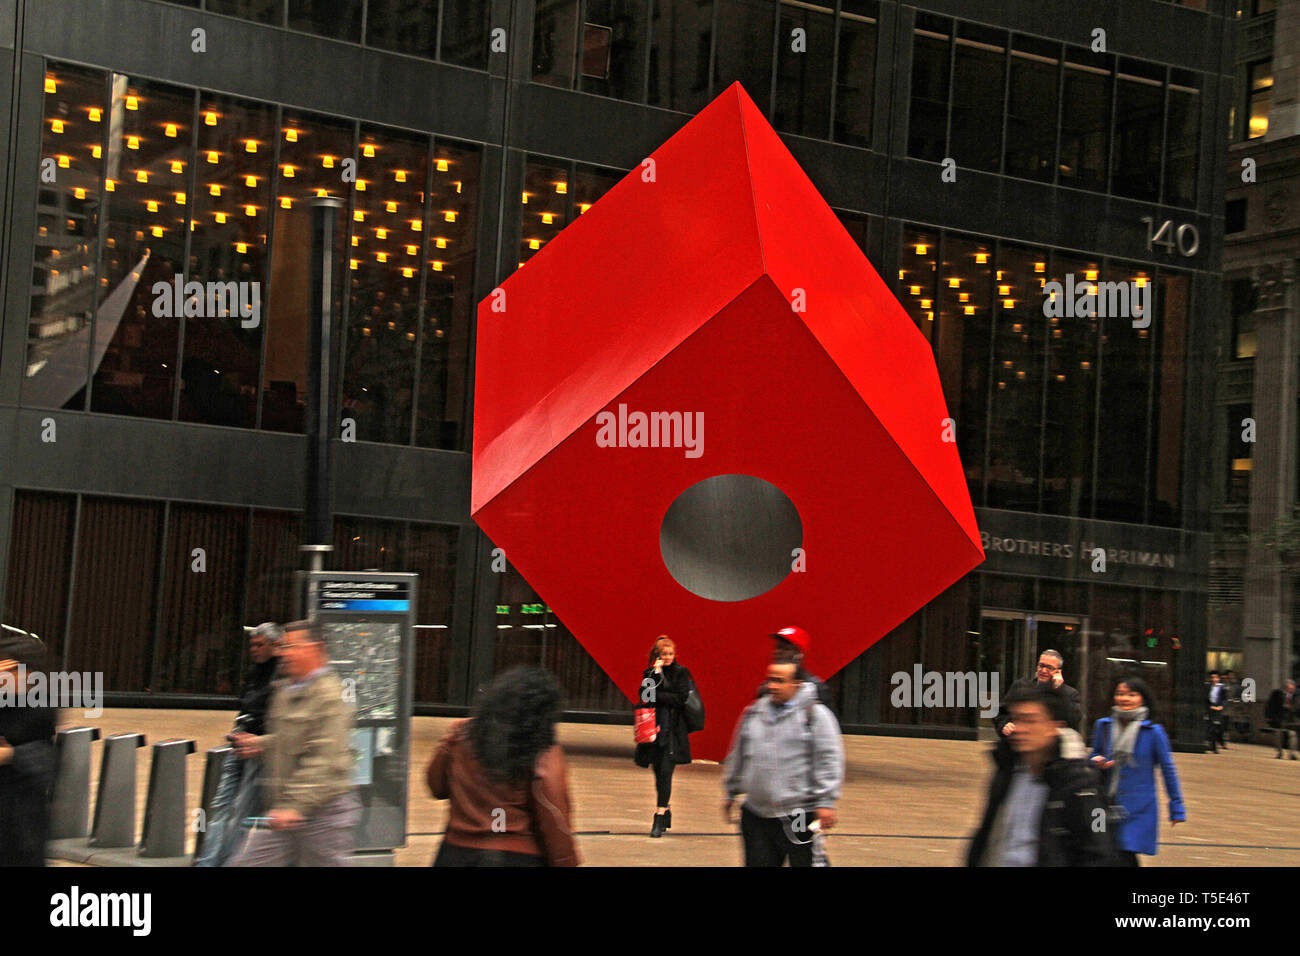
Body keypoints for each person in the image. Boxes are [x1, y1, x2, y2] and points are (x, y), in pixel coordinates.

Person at [229, 620, 359, 867]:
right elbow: (290, 740)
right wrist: (260, 744)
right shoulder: (286, 690)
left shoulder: (330, 696)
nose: (283, 653)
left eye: (291, 646)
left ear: (315, 648)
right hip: (287, 811)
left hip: (322, 814)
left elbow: (324, 758)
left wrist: (293, 806)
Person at [426, 666, 578, 866]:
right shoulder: (542, 750)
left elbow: (436, 787)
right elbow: (553, 814)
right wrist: (565, 861)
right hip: (516, 857)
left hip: (456, 853)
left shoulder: (461, 735)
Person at [968, 684, 1116, 867]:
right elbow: (985, 836)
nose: (1020, 728)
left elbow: (1101, 850)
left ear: (1054, 727)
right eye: (1016, 719)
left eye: (1030, 720)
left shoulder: (1083, 787)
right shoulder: (1006, 772)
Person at [722, 660, 844, 867]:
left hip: (798, 814)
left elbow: (829, 759)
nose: (772, 686)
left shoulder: (815, 716)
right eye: (770, 680)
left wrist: (825, 801)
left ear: (796, 684)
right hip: (757, 815)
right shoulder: (754, 713)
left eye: (780, 681)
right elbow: (739, 754)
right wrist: (731, 791)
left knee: (806, 862)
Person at [195, 622, 282, 867]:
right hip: (240, 743)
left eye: (259, 644)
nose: (253, 649)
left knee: (241, 812)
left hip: (259, 748)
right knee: (221, 807)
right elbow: (247, 702)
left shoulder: (283, 674)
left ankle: (227, 863)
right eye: (252, 645)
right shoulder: (256, 671)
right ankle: (209, 862)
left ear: (275, 645)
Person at [1089, 676, 1185, 866]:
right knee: (1100, 852)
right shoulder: (1104, 726)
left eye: (1131, 695)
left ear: (1142, 698)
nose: (1124, 699)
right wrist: (1095, 761)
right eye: (1120, 694)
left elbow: (1168, 769)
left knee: (1124, 854)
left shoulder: (1153, 732)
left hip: (1138, 808)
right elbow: (1093, 755)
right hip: (1104, 803)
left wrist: (1176, 807)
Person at [633, 636, 699, 837]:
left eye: (670, 654)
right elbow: (645, 696)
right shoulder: (651, 673)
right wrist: (655, 674)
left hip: (673, 731)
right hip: (654, 730)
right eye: (664, 654)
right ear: (657, 655)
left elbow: (680, 699)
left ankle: (659, 815)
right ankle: (666, 807)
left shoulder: (681, 673)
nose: (668, 657)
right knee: (657, 773)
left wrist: (660, 695)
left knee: (665, 772)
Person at [0, 634, 57, 867]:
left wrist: (11, 755)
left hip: (20, 824)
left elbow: (47, 763)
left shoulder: (39, 709)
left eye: (8, 667)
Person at [993, 649, 1082, 736]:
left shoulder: (1070, 694)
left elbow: (1072, 722)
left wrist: (1059, 689)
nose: (1043, 671)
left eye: (1049, 668)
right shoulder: (1020, 686)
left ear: (1058, 672)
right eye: (1041, 665)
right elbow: (1000, 713)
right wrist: (1004, 725)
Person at [755, 626, 834, 712]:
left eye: (785, 649)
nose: (778, 652)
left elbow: (828, 723)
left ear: (799, 654)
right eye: (777, 647)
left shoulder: (817, 689)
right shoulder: (767, 687)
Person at [1265, 679, 1299, 759]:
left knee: (1292, 735)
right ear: (1286, 688)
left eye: (1292, 688)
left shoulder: (1296, 695)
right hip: (1279, 718)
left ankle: (1292, 753)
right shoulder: (1277, 693)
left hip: (1290, 719)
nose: (1291, 690)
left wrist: (1292, 708)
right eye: (1289, 688)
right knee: (1278, 735)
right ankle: (1279, 752)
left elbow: (1297, 706)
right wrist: (1269, 716)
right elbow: (1270, 705)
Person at [1206, 670, 1228, 752]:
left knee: (1216, 728)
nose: (1214, 679)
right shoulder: (1208, 686)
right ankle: (1212, 745)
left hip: (1218, 709)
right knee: (1210, 727)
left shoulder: (1222, 687)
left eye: (1215, 677)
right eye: (1212, 677)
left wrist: (1221, 706)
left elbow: (1224, 699)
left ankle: (1215, 744)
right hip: (1210, 708)